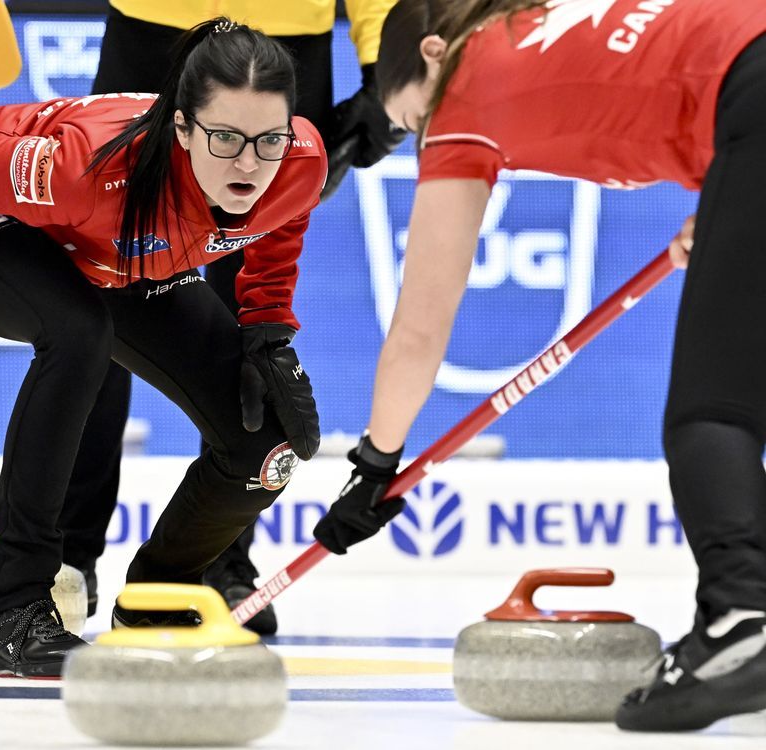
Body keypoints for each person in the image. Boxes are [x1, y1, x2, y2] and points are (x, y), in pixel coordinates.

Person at [311, 0, 766, 733]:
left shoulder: (460, 94)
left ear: (433, 53)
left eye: (413, 123)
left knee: (712, 414)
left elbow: (421, 328)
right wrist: (728, 204)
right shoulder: (539, 21)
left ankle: (741, 621)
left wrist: (377, 460)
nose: (427, 141)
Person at [0, 18, 324, 678]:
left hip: (119, 257)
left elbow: (280, 216)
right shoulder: (81, 169)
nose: (248, 164)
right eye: (225, 139)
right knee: (79, 336)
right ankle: (13, 614)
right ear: (182, 129)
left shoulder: (298, 163)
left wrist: (268, 328)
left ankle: (158, 596)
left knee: (264, 444)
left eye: (267, 140)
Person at [59, 0, 404, 635]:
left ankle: (216, 560)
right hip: (152, 23)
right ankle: (66, 557)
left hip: (289, 37)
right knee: (100, 282)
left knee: (253, 313)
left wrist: (386, 59)